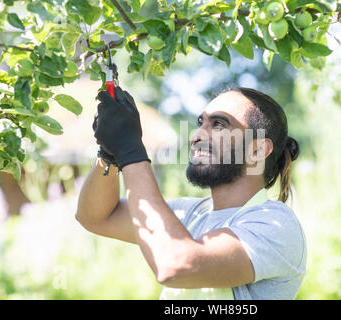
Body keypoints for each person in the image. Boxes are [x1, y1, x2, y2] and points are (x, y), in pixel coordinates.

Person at [76, 86, 306, 300]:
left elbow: (176, 265)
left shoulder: (276, 224)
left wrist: (130, 149)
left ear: (257, 149)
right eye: (200, 123)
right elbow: (97, 217)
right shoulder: (193, 214)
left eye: (218, 125)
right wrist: (110, 154)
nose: (195, 136)